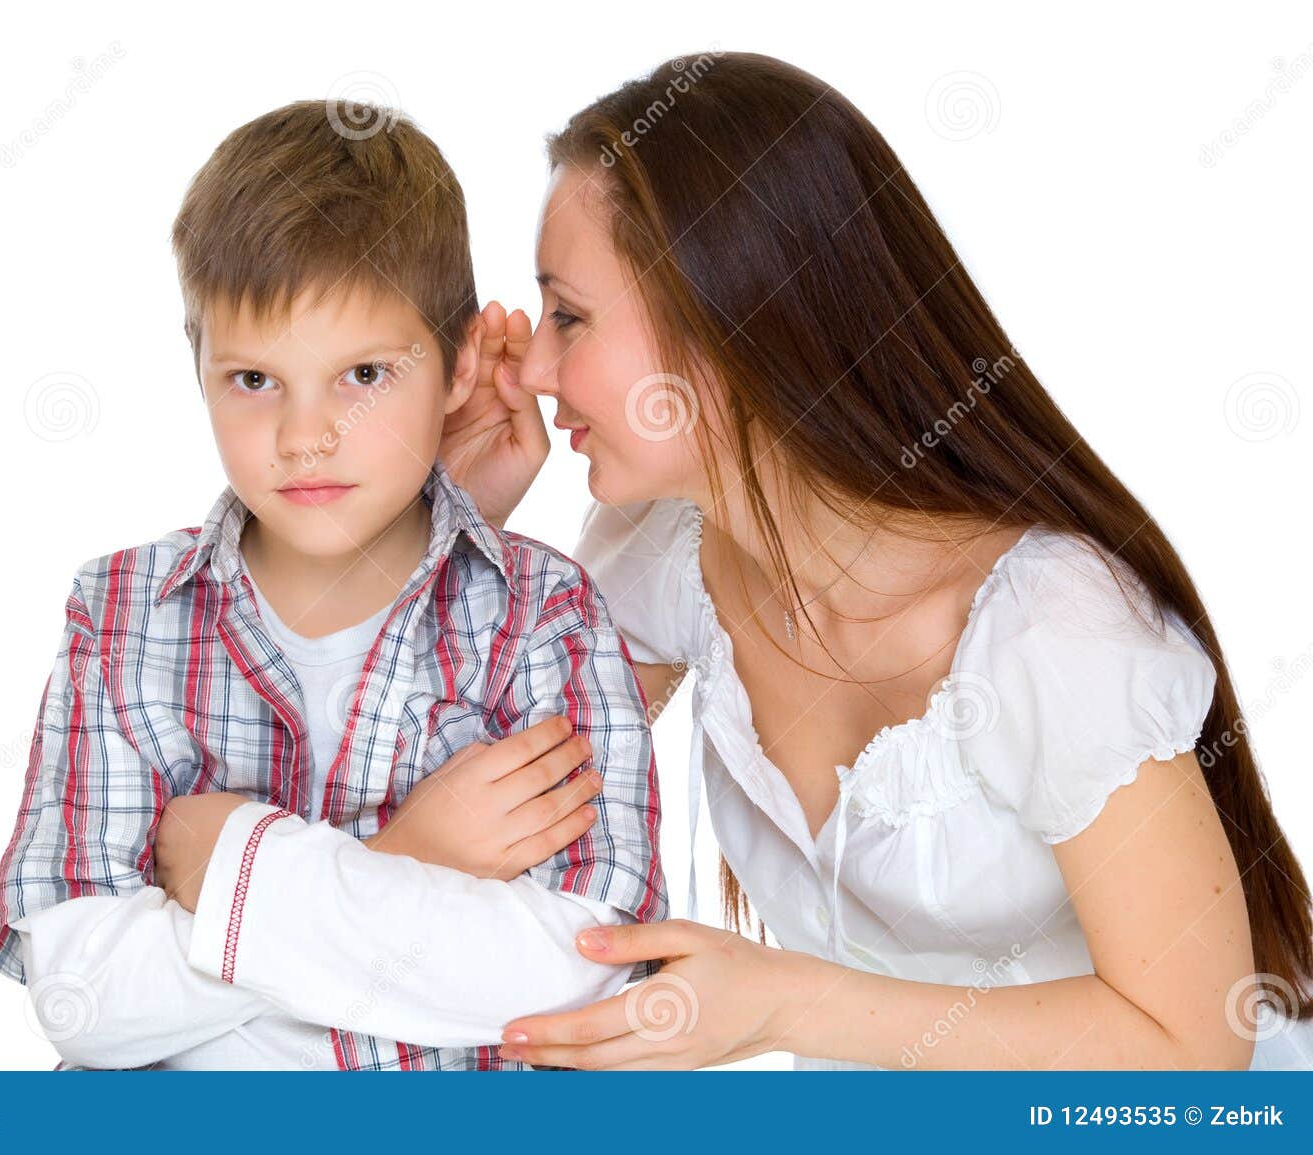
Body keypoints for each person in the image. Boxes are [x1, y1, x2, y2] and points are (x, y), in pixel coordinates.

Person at [440, 51, 1313, 1069]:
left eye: (569, 317)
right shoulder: (666, 554)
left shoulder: (1048, 624)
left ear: (732, 319)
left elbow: (1190, 1048)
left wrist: (778, 1006)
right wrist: (450, 512)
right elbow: (485, 815)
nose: (534, 367)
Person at [0, 100, 667, 1071]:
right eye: (256, 380)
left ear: (461, 361)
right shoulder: (126, 613)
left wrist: (239, 880)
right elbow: (80, 996)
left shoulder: (540, 618)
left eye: (362, 375)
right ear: (199, 367)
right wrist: (408, 860)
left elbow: (581, 974)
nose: (305, 435)